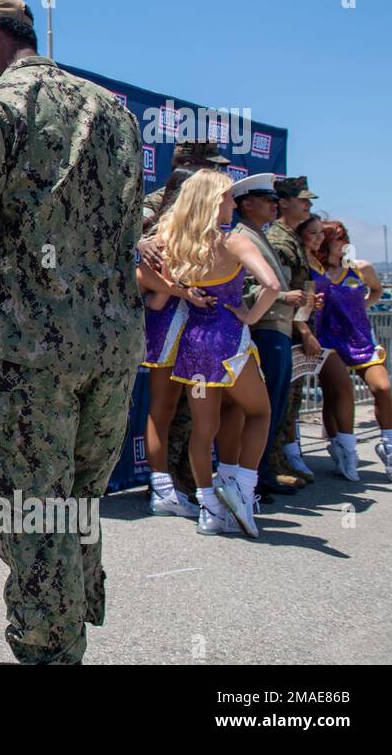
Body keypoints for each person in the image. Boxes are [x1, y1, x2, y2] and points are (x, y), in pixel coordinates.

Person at [0, 0, 143, 664]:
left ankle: (50, 648)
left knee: (31, 518)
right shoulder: (114, 112)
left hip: (25, 353)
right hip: (109, 350)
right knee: (73, 506)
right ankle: (71, 617)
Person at [159, 171, 280, 538]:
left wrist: (185, 292)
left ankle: (209, 509)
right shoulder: (234, 242)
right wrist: (250, 314)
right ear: (214, 202)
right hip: (230, 345)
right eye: (228, 198)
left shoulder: (175, 242)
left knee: (203, 428)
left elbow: (157, 277)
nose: (233, 204)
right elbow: (272, 285)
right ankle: (242, 487)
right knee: (260, 412)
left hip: (193, 346)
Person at [138, 167, 213, 517]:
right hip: (171, 329)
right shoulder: (165, 235)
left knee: (192, 413)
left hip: (196, 332)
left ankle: (189, 485)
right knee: (163, 410)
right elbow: (152, 294)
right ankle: (163, 489)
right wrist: (180, 291)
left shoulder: (202, 235)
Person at [230, 174, 307, 495]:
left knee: (273, 405)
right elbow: (246, 285)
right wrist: (279, 297)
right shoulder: (243, 236)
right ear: (247, 204)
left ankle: (261, 473)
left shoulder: (257, 235)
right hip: (264, 328)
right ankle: (254, 477)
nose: (275, 205)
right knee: (262, 408)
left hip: (276, 327)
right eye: (268, 200)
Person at [311, 220, 392, 481]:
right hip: (328, 341)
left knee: (382, 388)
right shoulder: (316, 273)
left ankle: (391, 447)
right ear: (328, 243)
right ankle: (344, 447)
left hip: (361, 339)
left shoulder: (361, 268)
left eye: (346, 235)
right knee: (339, 391)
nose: (345, 240)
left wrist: (361, 307)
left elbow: (377, 290)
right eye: (339, 237)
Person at [267, 177, 322, 481]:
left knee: (290, 402)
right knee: (280, 400)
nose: (308, 206)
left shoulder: (292, 238)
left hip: (292, 328)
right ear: (284, 202)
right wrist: (304, 330)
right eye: (303, 200)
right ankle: (272, 463)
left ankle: (280, 459)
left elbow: (301, 288)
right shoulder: (279, 240)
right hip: (284, 328)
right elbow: (285, 291)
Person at [141, 141, 230, 230]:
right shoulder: (161, 198)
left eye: (217, 167)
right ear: (188, 165)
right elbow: (140, 223)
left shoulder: (210, 197)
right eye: (210, 166)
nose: (216, 171)